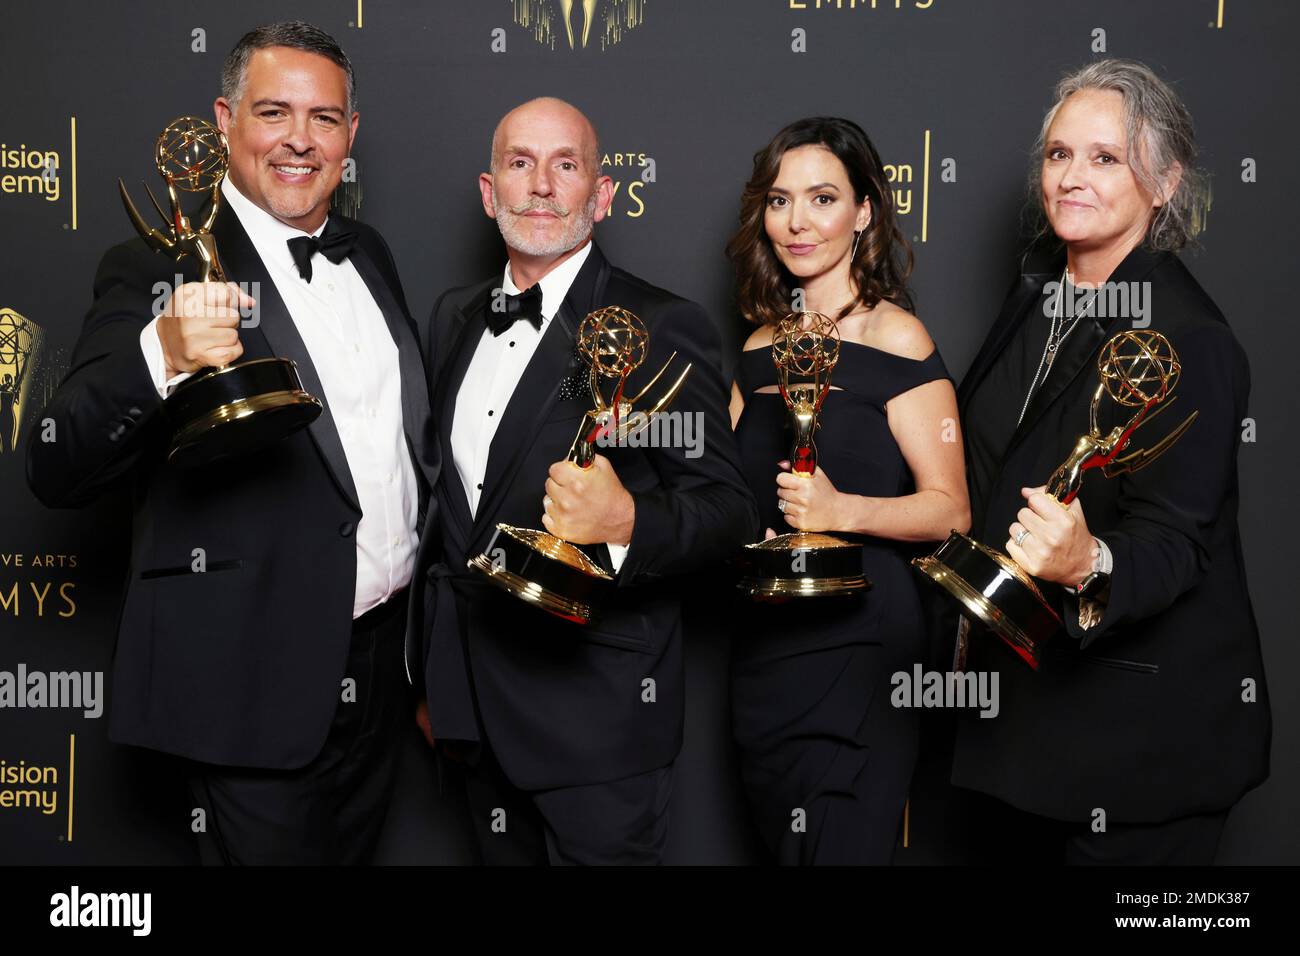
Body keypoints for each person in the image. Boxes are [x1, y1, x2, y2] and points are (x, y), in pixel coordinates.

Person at [25, 21, 437, 865]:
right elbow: (55, 461)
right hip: (251, 677)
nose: (299, 139)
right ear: (224, 120)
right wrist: (162, 355)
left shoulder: (371, 256)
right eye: (273, 112)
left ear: (350, 135)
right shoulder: (154, 265)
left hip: (381, 670)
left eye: (324, 118)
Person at [416, 96, 758, 865]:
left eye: (565, 165)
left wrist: (630, 521)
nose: (541, 186)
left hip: (597, 718)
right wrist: (431, 676)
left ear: (601, 195)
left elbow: (731, 513)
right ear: (488, 190)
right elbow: (445, 511)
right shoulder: (453, 319)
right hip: (469, 711)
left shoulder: (662, 324)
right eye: (520, 163)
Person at [950, 59, 1271, 864]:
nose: (1070, 177)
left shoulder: (1192, 342)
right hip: (1020, 731)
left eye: (1105, 158)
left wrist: (1089, 558)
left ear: (1163, 183)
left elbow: (1176, 540)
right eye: (1058, 155)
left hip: (1139, 752)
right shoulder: (1037, 290)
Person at [726, 117, 969, 864]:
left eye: (822, 198)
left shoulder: (900, 338)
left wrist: (842, 512)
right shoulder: (759, 344)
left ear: (864, 212)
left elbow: (951, 510)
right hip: (767, 646)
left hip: (862, 646)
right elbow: (731, 498)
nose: (796, 222)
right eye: (779, 200)